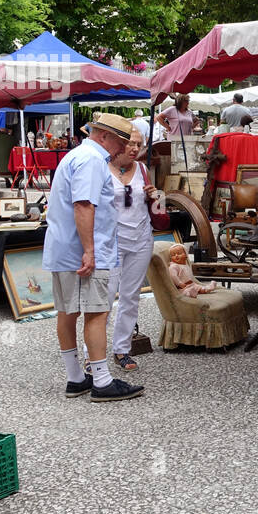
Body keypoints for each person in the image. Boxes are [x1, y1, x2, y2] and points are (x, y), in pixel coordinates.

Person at [43, 112, 144, 402]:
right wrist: (89, 251)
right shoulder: (91, 160)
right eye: (120, 142)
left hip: (66, 249)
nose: (122, 149)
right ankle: (101, 380)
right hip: (85, 252)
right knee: (96, 313)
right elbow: (84, 205)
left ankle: (76, 377)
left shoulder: (79, 155)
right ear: (104, 136)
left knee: (67, 313)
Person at [108, 128, 158, 372]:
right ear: (118, 144)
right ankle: (91, 353)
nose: (135, 149)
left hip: (140, 239)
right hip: (111, 241)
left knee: (130, 297)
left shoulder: (143, 170)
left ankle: (122, 349)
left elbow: (157, 204)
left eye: (139, 144)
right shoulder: (101, 169)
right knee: (104, 298)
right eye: (130, 144)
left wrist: (154, 196)